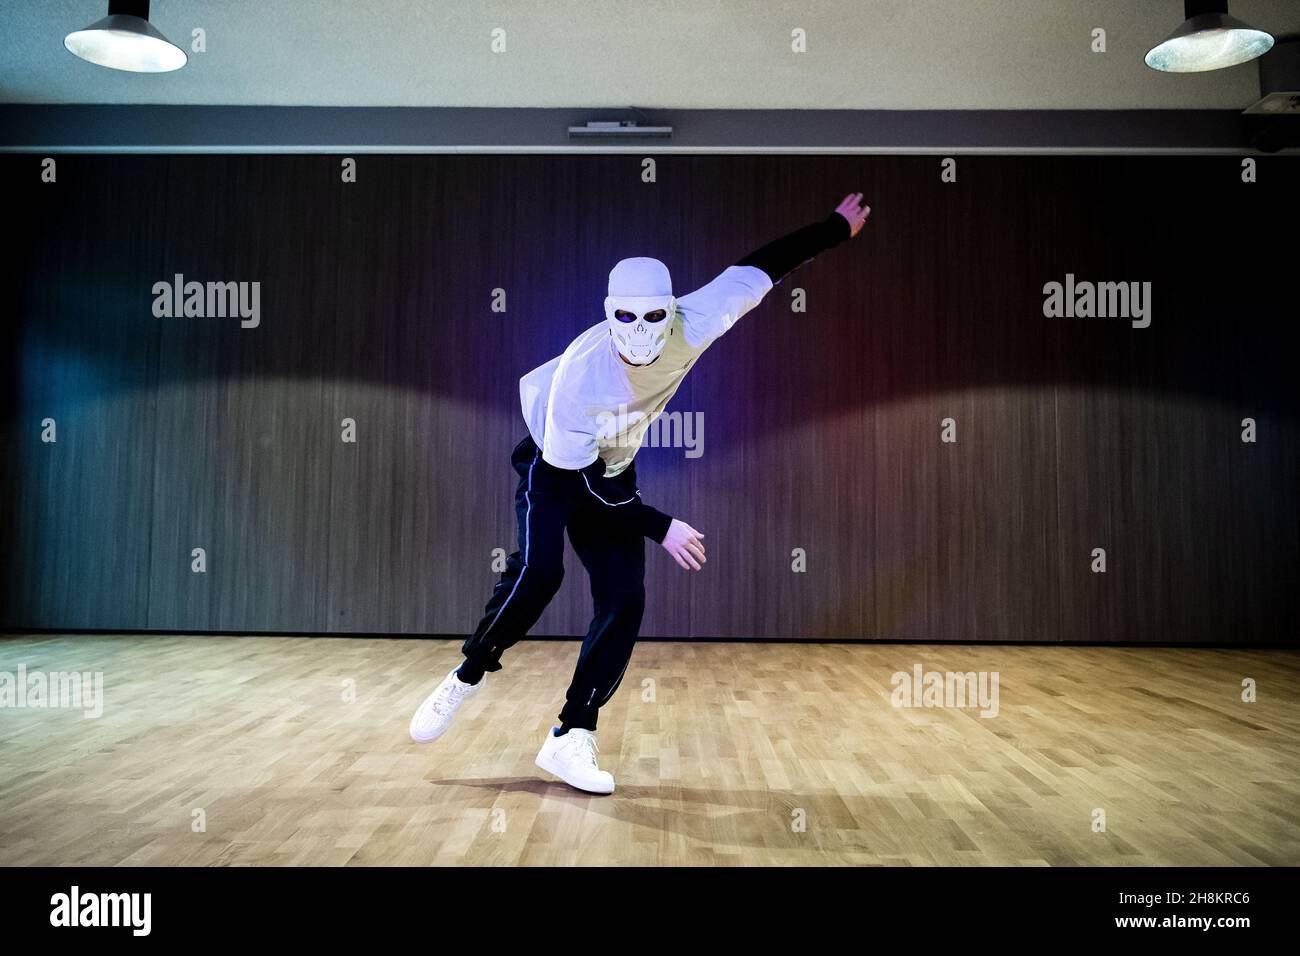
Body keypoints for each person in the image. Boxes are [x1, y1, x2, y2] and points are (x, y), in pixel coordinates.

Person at [410, 193, 872, 793]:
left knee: (625, 598)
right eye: (625, 318)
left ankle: (572, 735)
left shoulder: (697, 319)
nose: (641, 331)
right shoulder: (580, 376)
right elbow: (579, 484)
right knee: (539, 572)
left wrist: (836, 227)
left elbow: (764, 266)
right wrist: (661, 525)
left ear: (670, 310)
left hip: (615, 472)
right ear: (608, 315)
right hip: (556, 468)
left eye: (653, 317)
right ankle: (467, 674)